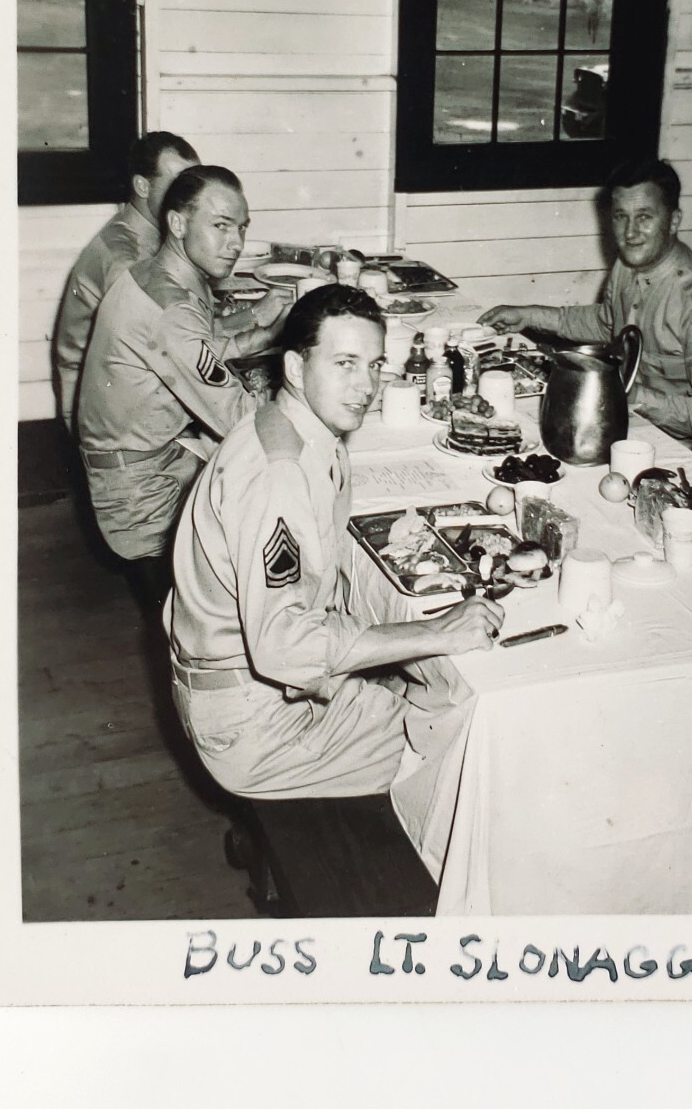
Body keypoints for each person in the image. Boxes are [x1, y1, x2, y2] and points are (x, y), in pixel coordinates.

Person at [168, 284, 504, 801]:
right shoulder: (281, 474)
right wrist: (438, 632)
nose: (365, 385)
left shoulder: (289, 427)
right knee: (460, 740)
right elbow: (285, 648)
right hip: (253, 726)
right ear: (297, 369)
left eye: (373, 365)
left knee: (423, 685)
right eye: (345, 363)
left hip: (245, 687)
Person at [75, 165, 292, 578]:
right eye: (221, 226)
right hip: (140, 495)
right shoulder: (172, 308)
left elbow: (194, 354)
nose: (236, 244)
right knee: (271, 532)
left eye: (242, 228)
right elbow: (240, 419)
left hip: (152, 459)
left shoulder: (152, 274)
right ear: (177, 223)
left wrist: (265, 336)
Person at [481, 158, 692, 442]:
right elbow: (606, 323)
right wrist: (529, 316)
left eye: (644, 217)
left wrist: (631, 393)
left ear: (673, 221)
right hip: (631, 421)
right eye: (621, 216)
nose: (630, 233)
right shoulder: (628, 265)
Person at [52, 130, 199, 431]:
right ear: (142, 186)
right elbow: (169, 336)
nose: (191, 199)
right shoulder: (125, 256)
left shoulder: (144, 233)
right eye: (179, 186)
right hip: (100, 411)